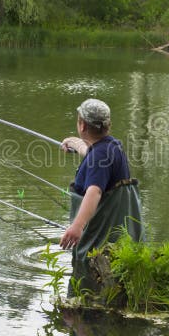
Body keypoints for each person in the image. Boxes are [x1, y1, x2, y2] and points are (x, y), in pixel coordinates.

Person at [59, 99, 143, 262]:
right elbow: (95, 154)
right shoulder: (112, 146)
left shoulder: (98, 157)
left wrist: (77, 226)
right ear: (107, 125)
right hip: (117, 235)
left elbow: (95, 191)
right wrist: (76, 144)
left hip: (99, 246)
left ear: (82, 126)